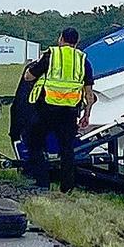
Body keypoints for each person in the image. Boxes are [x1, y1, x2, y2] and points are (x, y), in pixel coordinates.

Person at [23, 28, 94, 192]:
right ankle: (67, 187)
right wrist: (86, 115)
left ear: (61, 39)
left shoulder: (51, 55)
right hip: (69, 111)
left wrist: (30, 70)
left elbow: (29, 77)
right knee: (67, 149)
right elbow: (88, 94)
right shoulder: (83, 61)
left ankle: (42, 182)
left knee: (35, 142)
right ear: (76, 42)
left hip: (46, 108)